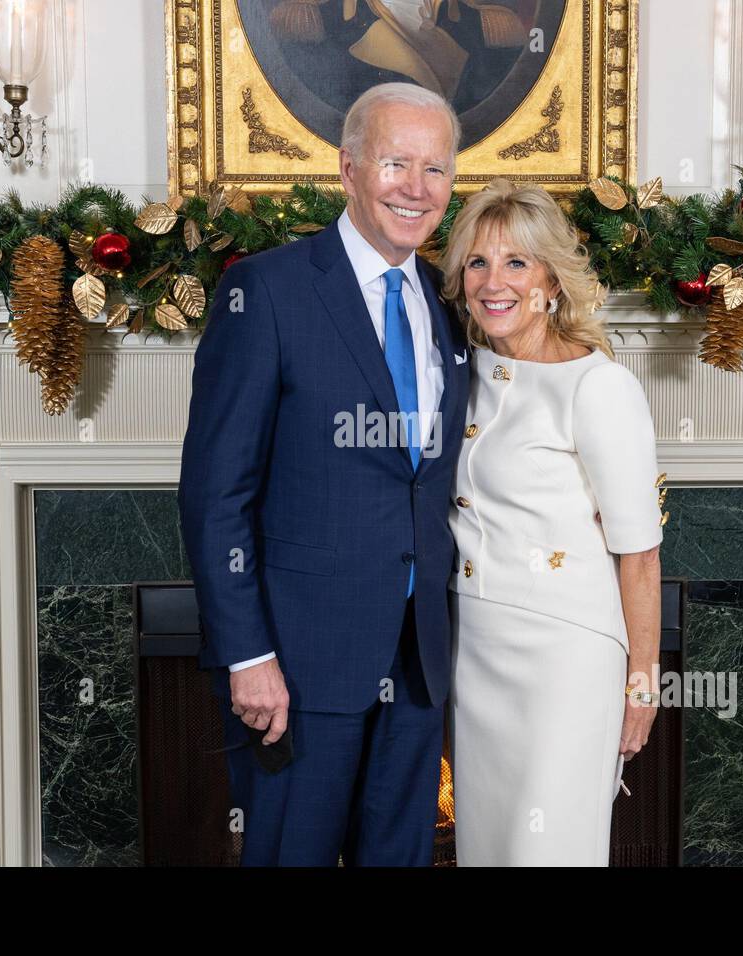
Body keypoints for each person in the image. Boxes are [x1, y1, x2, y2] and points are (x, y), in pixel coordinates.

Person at [178, 82, 470, 866]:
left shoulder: (449, 301)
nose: (417, 188)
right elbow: (216, 494)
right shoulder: (266, 292)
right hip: (296, 666)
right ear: (347, 170)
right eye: (396, 163)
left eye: (436, 170)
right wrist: (247, 655)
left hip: (417, 662)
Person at [439, 178, 665, 866]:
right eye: (477, 262)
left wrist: (642, 686)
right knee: (488, 849)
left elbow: (640, 555)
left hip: (566, 660)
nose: (493, 281)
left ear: (551, 280)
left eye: (515, 262)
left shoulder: (598, 387)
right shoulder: (461, 371)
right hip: (474, 655)